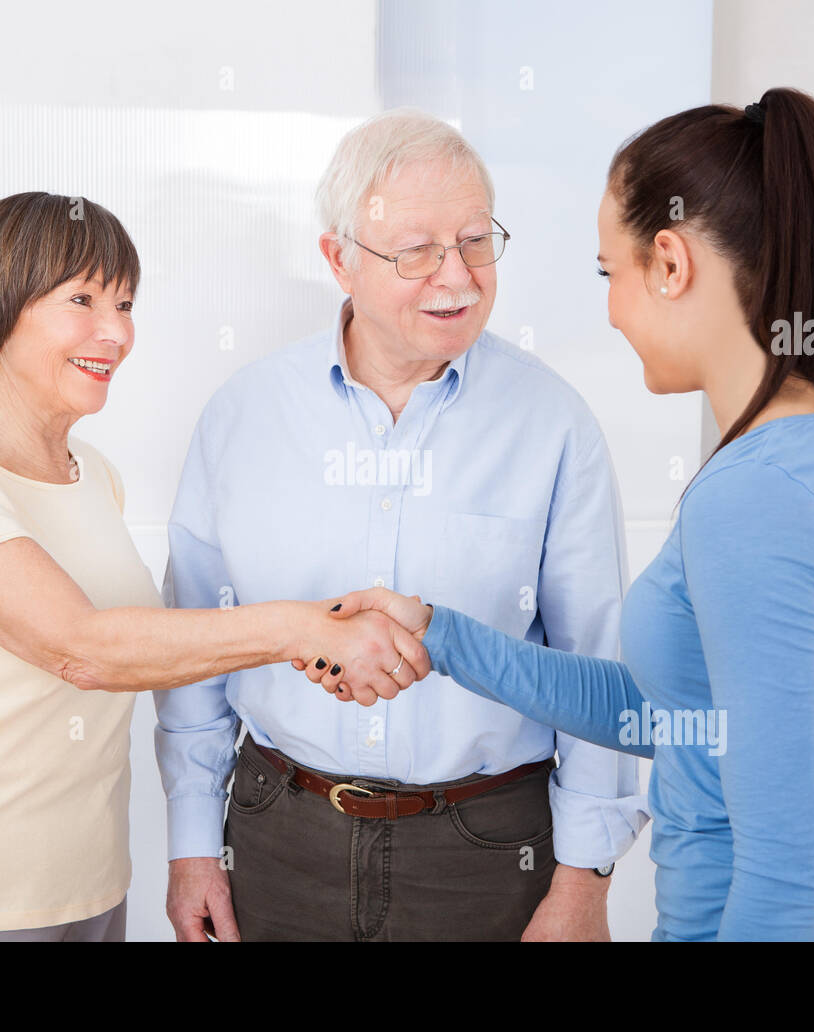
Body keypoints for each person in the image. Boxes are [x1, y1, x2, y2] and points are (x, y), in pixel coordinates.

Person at [304, 89, 814, 942]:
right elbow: (672, 714)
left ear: (670, 263)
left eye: (613, 273)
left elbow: (789, 867)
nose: (610, 310)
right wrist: (437, 632)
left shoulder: (753, 498)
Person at [0, 191, 426, 942]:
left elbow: (148, 642)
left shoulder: (92, 473)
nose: (115, 332)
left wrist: (321, 638)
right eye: (81, 299)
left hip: (83, 885)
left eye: (124, 304)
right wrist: (298, 630)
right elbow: (82, 649)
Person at [156, 109, 649, 942]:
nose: (456, 277)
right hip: (280, 834)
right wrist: (194, 848)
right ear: (338, 259)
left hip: (488, 849)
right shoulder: (243, 416)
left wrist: (583, 885)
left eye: (475, 241)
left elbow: (595, 664)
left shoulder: (554, 424)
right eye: (415, 251)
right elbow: (197, 649)